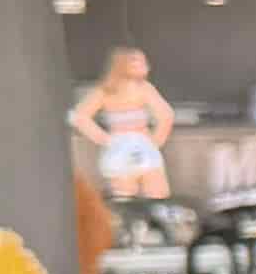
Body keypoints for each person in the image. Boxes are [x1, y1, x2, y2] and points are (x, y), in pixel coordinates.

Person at [72, 46, 180, 205]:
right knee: (156, 200)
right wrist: (155, 142)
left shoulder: (107, 90)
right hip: (137, 147)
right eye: (138, 63)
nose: (146, 67)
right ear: (123, 66)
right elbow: (166, 115)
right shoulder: (140, 89)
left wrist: (106, 140)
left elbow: (79, 117)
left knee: (126, 203)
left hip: (121, 148)